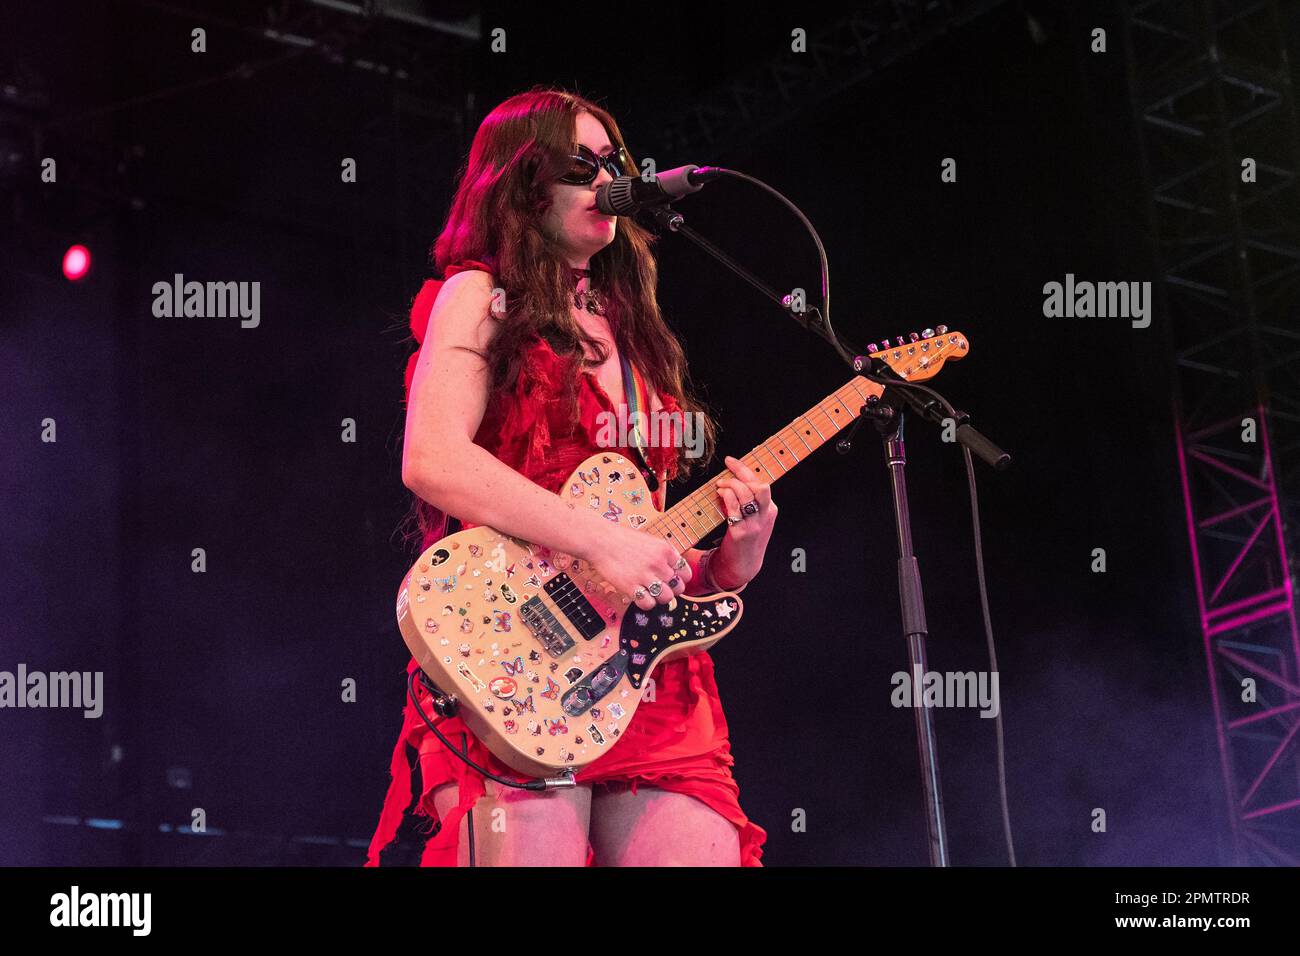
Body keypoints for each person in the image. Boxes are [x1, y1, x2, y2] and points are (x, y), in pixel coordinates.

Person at [364, 87, 777, 867]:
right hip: (519, 651)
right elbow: (433, 459)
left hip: (647, 671)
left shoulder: (634, 329)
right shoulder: (479, 295)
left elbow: (638, 538)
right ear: (521, 185)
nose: (607, 181)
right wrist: (603, 542)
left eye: (615, 164)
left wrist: (731, 560)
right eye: (580, 165)